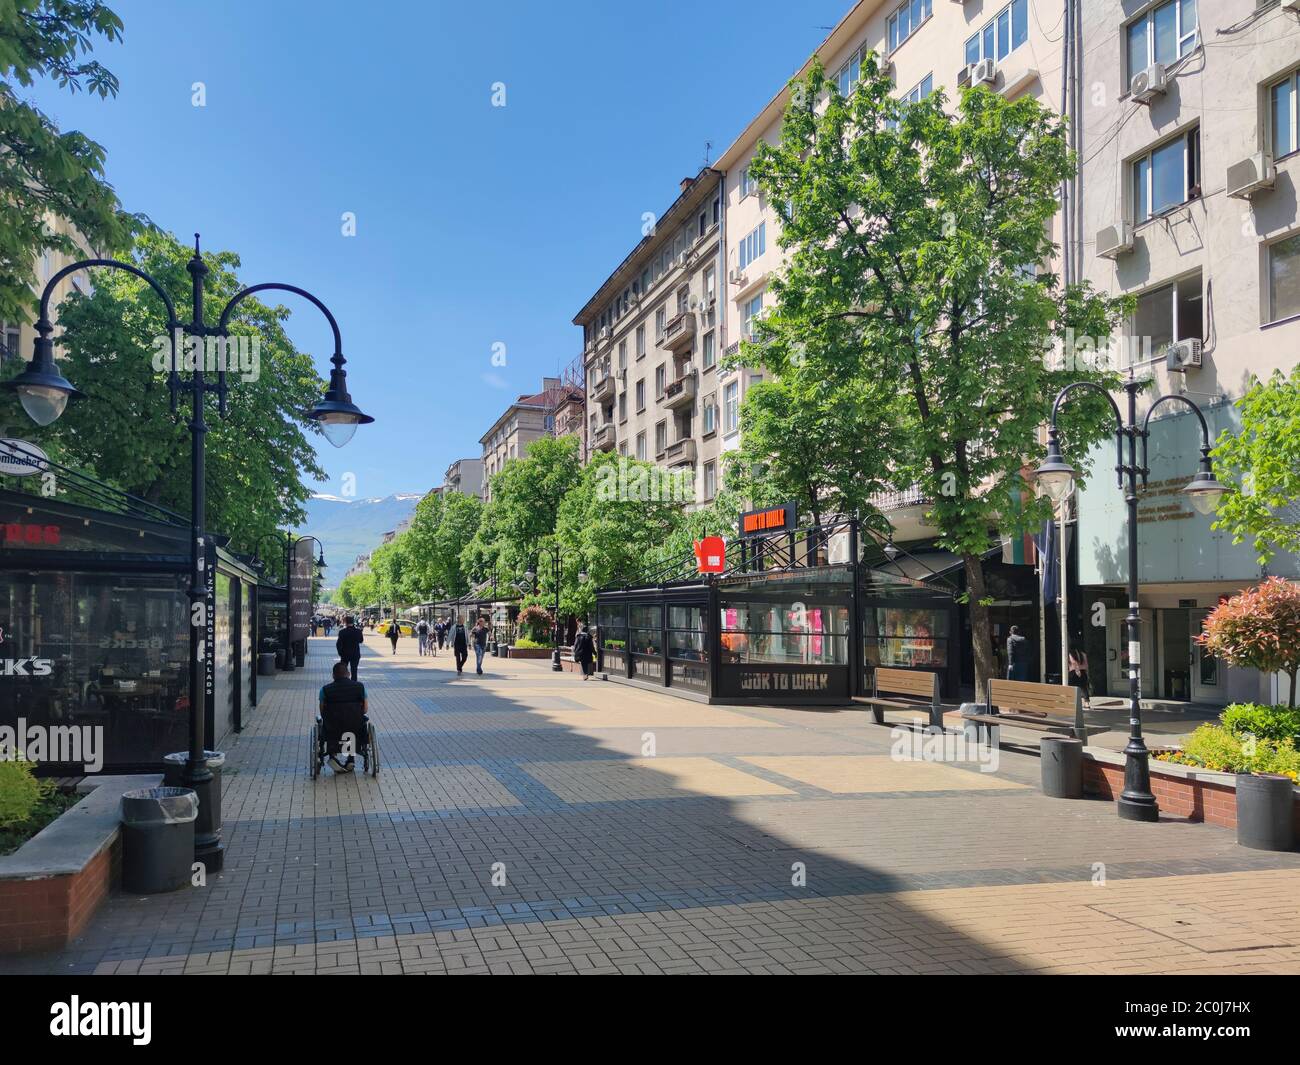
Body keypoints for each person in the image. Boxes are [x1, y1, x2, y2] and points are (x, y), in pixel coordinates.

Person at [319, 660, 368, 773]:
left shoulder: (325, 690)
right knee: (351, 725)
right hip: (355, 727)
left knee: (330, 723)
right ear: (349, 674)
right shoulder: (360, 687)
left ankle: (332, 756)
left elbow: (322, 711)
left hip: (333, 728)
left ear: (333, 675)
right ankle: (350, 759)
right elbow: (365, 710)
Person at [336, 615, 364, 681]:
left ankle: (343, 682)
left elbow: (338, 644)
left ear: (345, 622)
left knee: (343, 670)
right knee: (354, 670)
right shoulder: (358, 631)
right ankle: (353, 684)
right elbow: (361, 640)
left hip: (344, 654)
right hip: (355, 654)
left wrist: (340, 653)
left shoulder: (342, 632)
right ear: (353, 622)